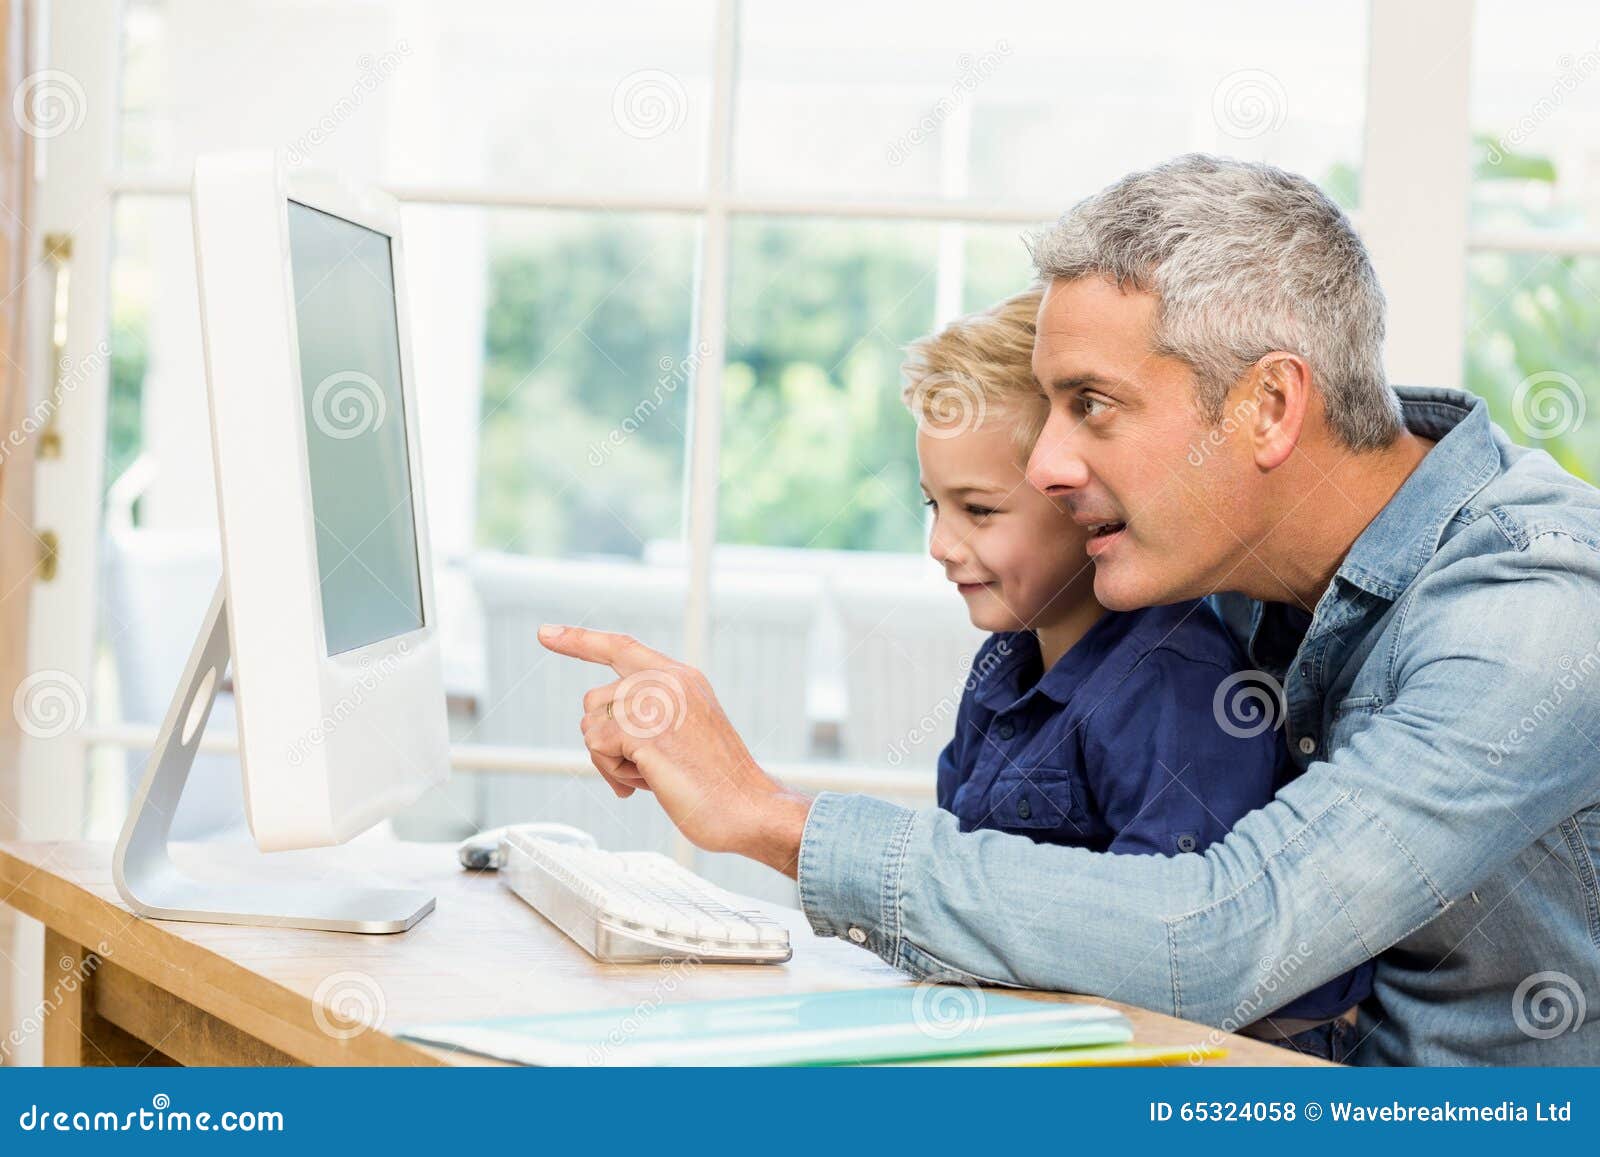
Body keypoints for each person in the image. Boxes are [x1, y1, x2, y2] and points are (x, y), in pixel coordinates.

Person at [539, 155, 1600, 1065]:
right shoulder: (1229, 548)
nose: (1046, 462)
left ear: (1267, 406)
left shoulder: (1535, 612)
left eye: (1090, 404)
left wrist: (771, 820)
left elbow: (1224, 931)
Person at [903, 287, 1371, 1059]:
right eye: (933, 506)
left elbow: (1166, 950)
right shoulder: (1004, 664)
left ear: (1083, 500)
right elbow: (959, 873)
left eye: (978, 511)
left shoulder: (1171, 683)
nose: (941, 545)